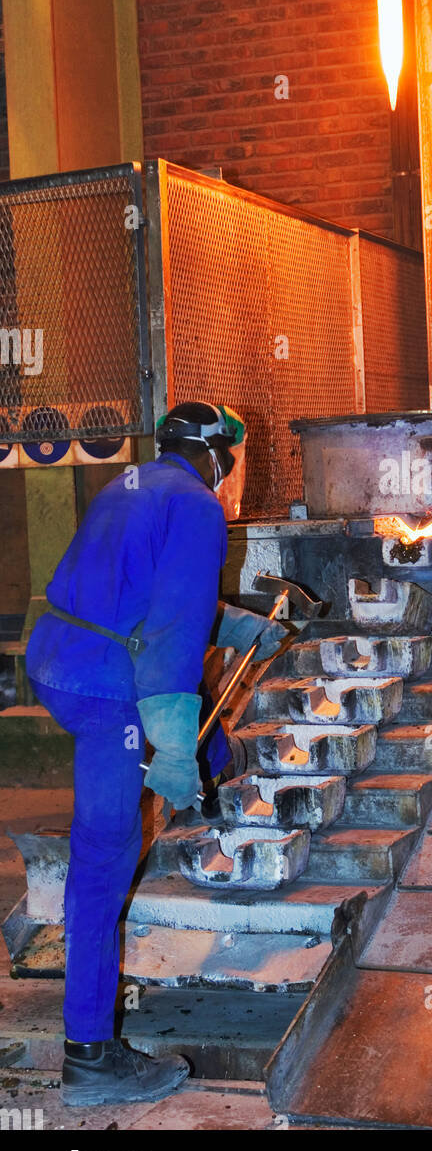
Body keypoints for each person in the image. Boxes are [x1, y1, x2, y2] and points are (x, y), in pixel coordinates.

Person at [25, 402, 287, 1108]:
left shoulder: (131, 483)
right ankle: (91, 1059)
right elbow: (171, 637)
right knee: (105, 861)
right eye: (230, 460)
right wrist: (172, 747)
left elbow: (131, 588)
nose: (231, 473)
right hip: (107, 688)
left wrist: (241, 626)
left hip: (58, 658)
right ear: (214, 455)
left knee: (129, 818)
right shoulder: (200, 507)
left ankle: (210, 759)